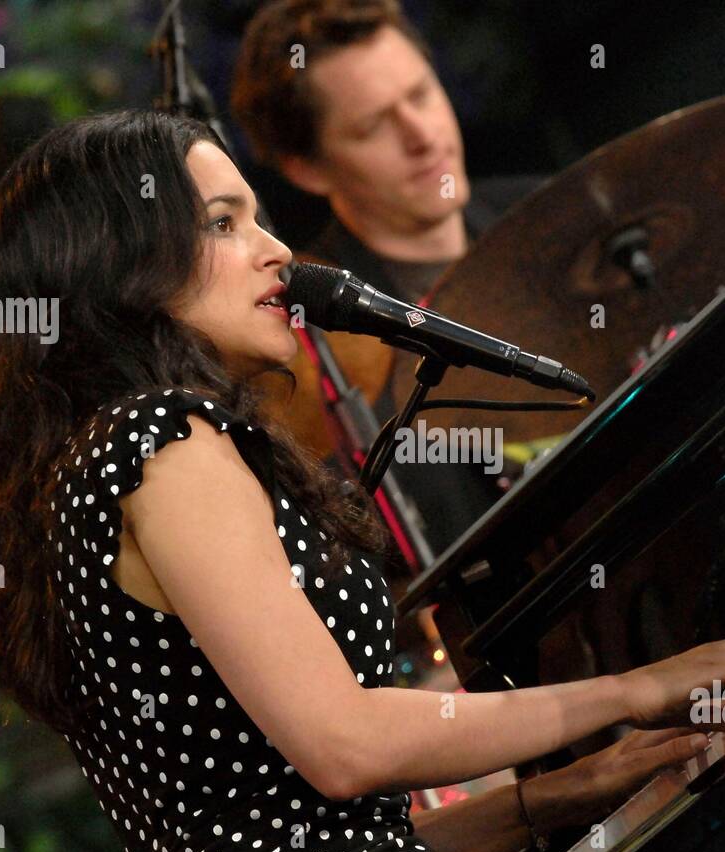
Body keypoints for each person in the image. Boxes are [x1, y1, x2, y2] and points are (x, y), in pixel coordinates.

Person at [0, 108, 725, 852]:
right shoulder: (164, 441)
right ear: (122, 267)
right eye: (223, 224)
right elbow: (347, 747)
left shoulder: (89, 475)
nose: (275, 253)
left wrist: (556, 793)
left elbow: (298, 842)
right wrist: (644, 683)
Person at [232, 0, 542, 552]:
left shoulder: (568, 217)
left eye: (422, 94)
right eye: (376, 125)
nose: (422, 135)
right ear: (306, 168)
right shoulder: (317, 354)